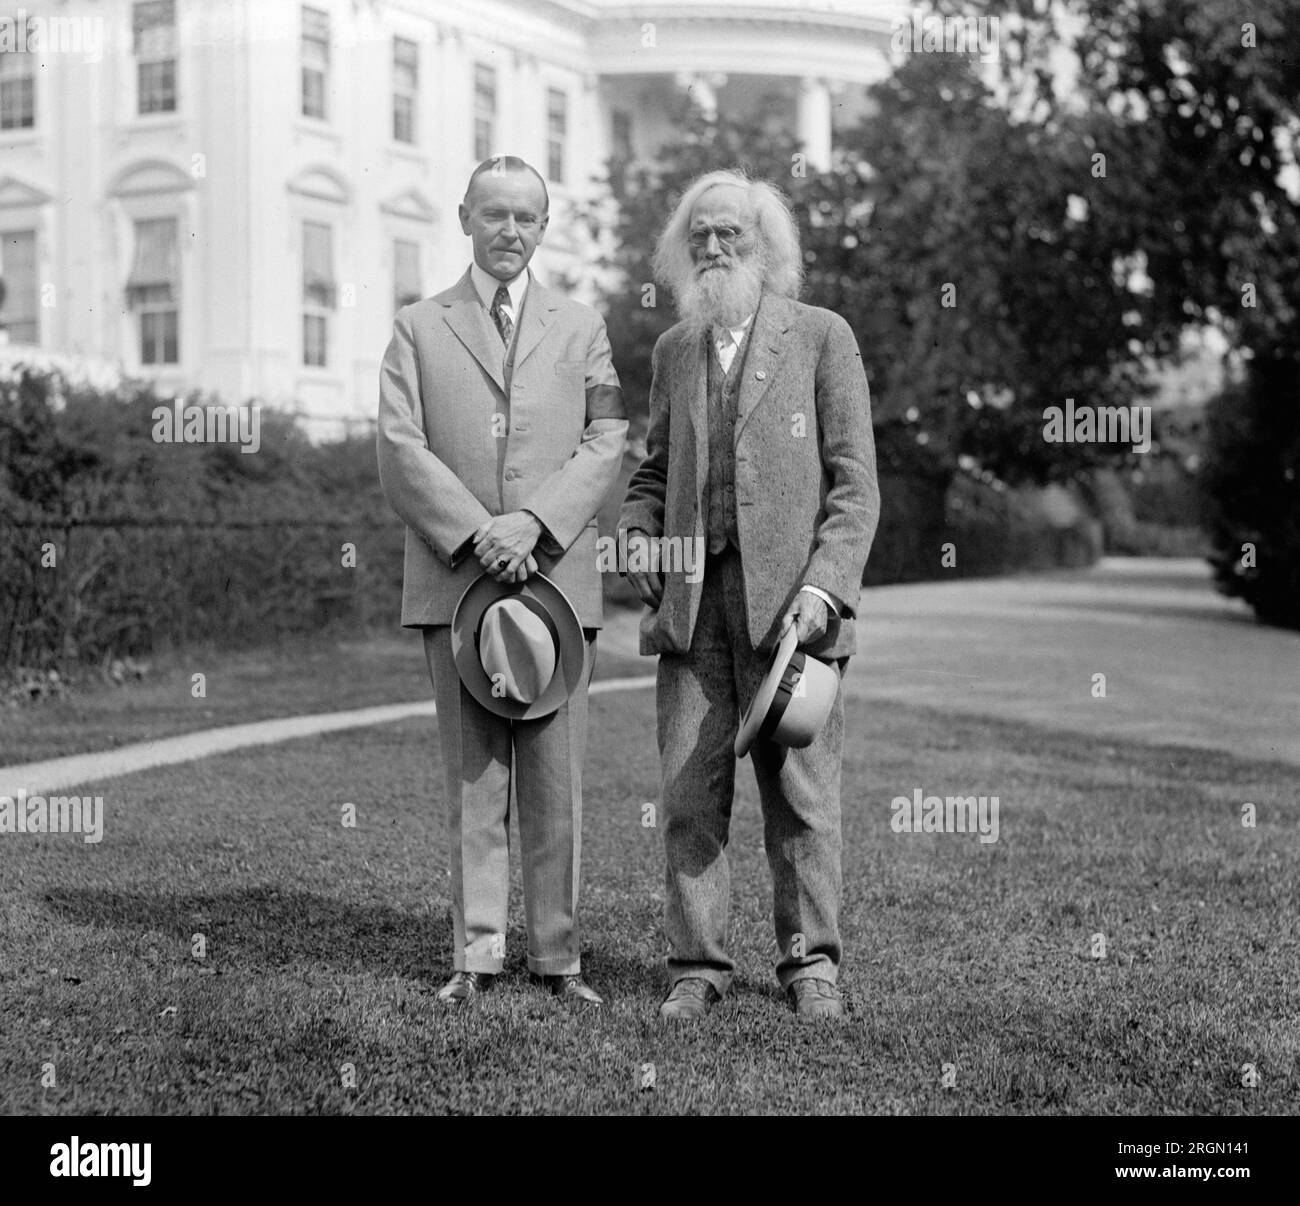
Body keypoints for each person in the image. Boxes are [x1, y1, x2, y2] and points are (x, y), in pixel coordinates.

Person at [620, 169, 879, 1020]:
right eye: (699, 236)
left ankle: (811, 967)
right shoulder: (673, 350)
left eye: (731, 233)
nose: (714, 248)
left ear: (767, 249)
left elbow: (854, 488)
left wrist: (825, 588)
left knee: (803, 798)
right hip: (694, 613)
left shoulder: (821, 337)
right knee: (690, 799)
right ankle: (696, 965)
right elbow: (652, 472)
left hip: (794, 613)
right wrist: (636, 529)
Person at [377, 156, 627, 1007]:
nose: (509, 231)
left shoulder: (583, 326)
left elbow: (607, 442)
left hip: (554, 581)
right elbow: (399, 448)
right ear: (463, 217)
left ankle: (559, 959)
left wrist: (536, 524)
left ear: (544, 227)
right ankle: (475, 955)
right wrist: (481, 533)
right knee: (474, 779)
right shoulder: (418, 326)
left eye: (526, 217)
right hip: (457, 582)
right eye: (494, 215)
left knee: (555, 782)